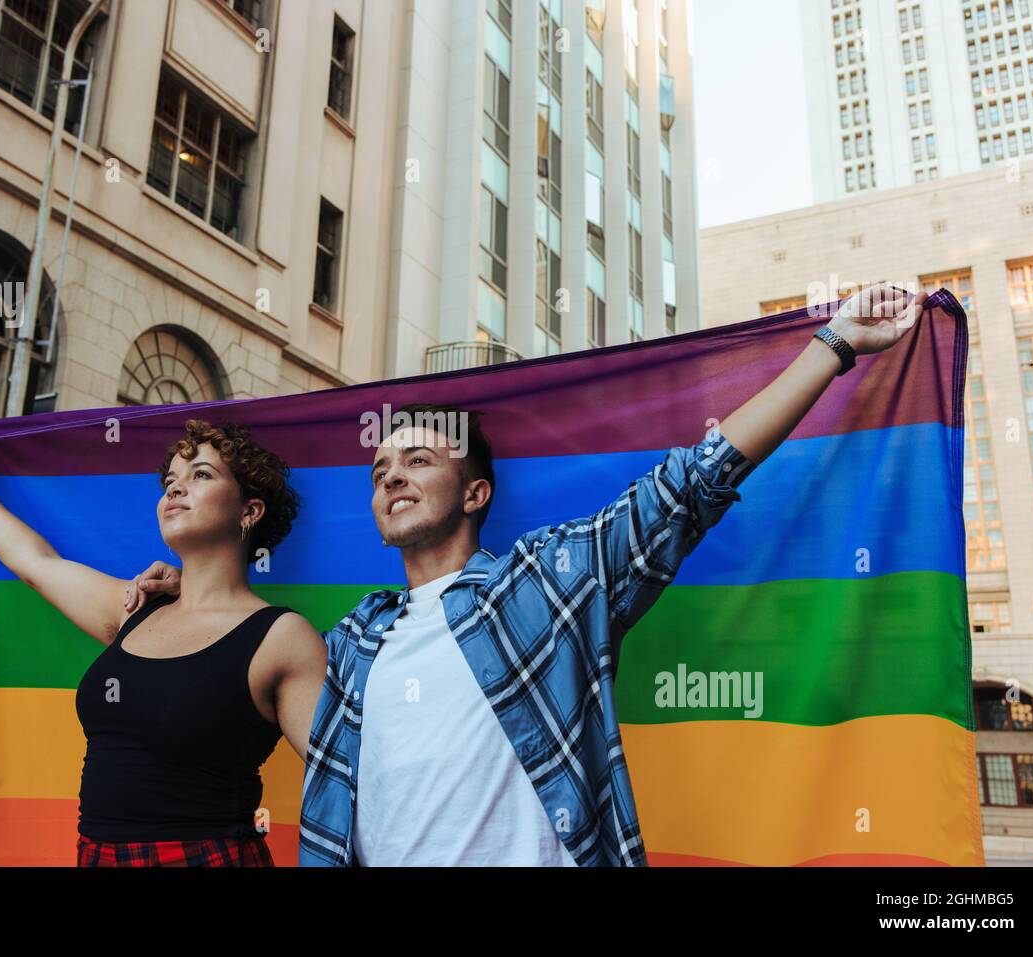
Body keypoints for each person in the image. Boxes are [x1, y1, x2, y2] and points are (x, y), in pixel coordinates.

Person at [125, 284, 930, 865]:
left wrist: (833, 346)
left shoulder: (549, 584)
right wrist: (183, 591)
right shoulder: (353, 639)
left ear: (475, 492)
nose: (392, 477)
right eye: (379, 470)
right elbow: (239, 663)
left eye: (419, 459)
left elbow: (693, 482)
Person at [0, 418, 325, 867]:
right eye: (170, 481)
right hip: (96, 857)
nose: (175, 490)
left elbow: (345, 774)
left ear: (249, 511)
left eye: (201, 474)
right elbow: (34, 562)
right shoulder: (134, 609)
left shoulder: (281, 636)